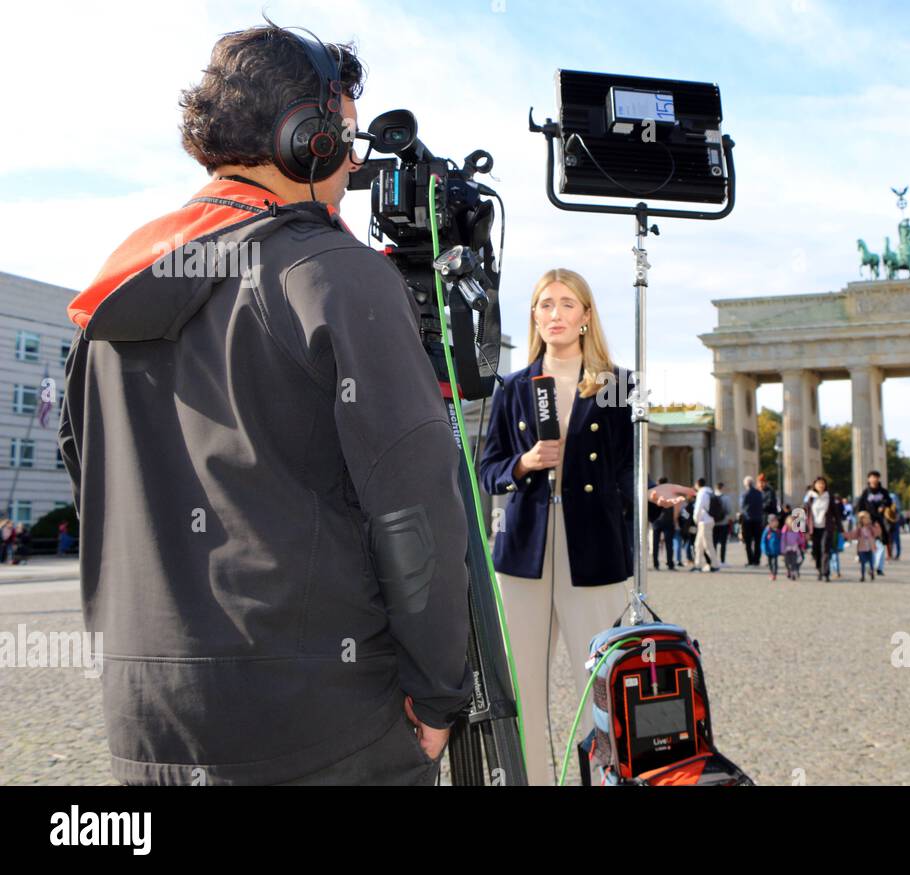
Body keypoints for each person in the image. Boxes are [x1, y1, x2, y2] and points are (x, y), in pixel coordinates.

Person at [56, 24, 472, 785]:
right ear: (307, 138)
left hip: (146, 723)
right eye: (346, 137)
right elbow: (417, 511)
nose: (356, 162)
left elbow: (91, 489)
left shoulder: (113, 292)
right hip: (324, 725)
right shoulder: (336, 275)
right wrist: (441, 693)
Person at [479, 267, 649, 785]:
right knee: (520, 688)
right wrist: (524, 463)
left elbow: (629, 466)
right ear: (534, 316)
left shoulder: (621, 385)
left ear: (586, 316)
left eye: (567, 304)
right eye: (546, 304)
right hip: (522, 551)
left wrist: (650, 491)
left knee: (601, 687)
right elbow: (488, 470)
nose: (556, 314)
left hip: (593, 548)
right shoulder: (512, 387)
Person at [805, 476, 834, 581]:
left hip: (826, 527)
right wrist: (798, 529)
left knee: (825, 549)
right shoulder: (809, 497)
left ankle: (826, 573)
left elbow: (836, 513)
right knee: (816, 551)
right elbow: (802, 511)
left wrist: (842, 530)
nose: (821, 485)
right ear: (814, 485)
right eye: (818, 483)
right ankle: (819, 569)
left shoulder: (829, 496)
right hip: (813, 528)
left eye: (822, 483)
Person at [692, 478, 719, 573]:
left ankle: (715, 565)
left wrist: (695, 519)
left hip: (704, 521)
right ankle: (698, 565)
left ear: (697, 484)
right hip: (709, 520)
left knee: (707, 544)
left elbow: (698, 507)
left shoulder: (701, 493)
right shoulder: (710, 492)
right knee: (698, 544)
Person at [651, 476, 677, 571]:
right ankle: (670, 564)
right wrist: (675, 520)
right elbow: (675, 506)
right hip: (668, 521)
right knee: (669, 544)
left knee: (655, 544)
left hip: (656, 521)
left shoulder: (655, 492)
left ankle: (655, 564)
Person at [847, 511, 880, 581]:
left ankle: (872, 573)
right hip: (862, 548)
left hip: (870, 547)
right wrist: (848, 536)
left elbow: (875, 533)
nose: (865, 520)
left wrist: (877, 527)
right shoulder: (859, 528)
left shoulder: (870, 527)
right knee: (863, 563)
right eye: (863, 519)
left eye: (866, 518)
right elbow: (855, 535)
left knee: (871, 562)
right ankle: (863, 576)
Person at [741, 476, 765, 567]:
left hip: (748, 520)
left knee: (748, 542)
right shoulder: (759, 493)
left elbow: (742, 507)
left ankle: (750, 560)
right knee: (757, 541)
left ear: (746, 484)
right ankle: (757, 560)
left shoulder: (745, 494)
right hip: (758, 519)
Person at [712, 482, 733, 566]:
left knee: (714, 543)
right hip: (723, 522)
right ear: (722, 488)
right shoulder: (726, 498)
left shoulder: (711, 497)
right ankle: (722, 561)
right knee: (723, 543)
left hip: (713, 523)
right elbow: (729, 510)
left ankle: (714, 560)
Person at [780, 513, 806, 580]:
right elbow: (783, 541)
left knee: (794, 562)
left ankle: (793, 574)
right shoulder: (785, 532)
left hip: (794, 549)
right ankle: (789, 571)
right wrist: (782, 550)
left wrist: (802, 544)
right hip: (787, 550)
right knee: (787, 562)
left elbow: (800, 539)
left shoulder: (796, 532)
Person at [761, 514, 783, 581]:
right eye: (773, 521)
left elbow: (781, 541)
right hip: (768, 550)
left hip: (775, 551)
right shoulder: (767, 531)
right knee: (770, 563)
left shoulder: (778, 531)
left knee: (775, 563)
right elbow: (763, 540)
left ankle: (774, 574)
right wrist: (764, 549)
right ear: (769, 522)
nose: (775, 523)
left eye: (776, 521)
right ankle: (771, 572)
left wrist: (781, 549)